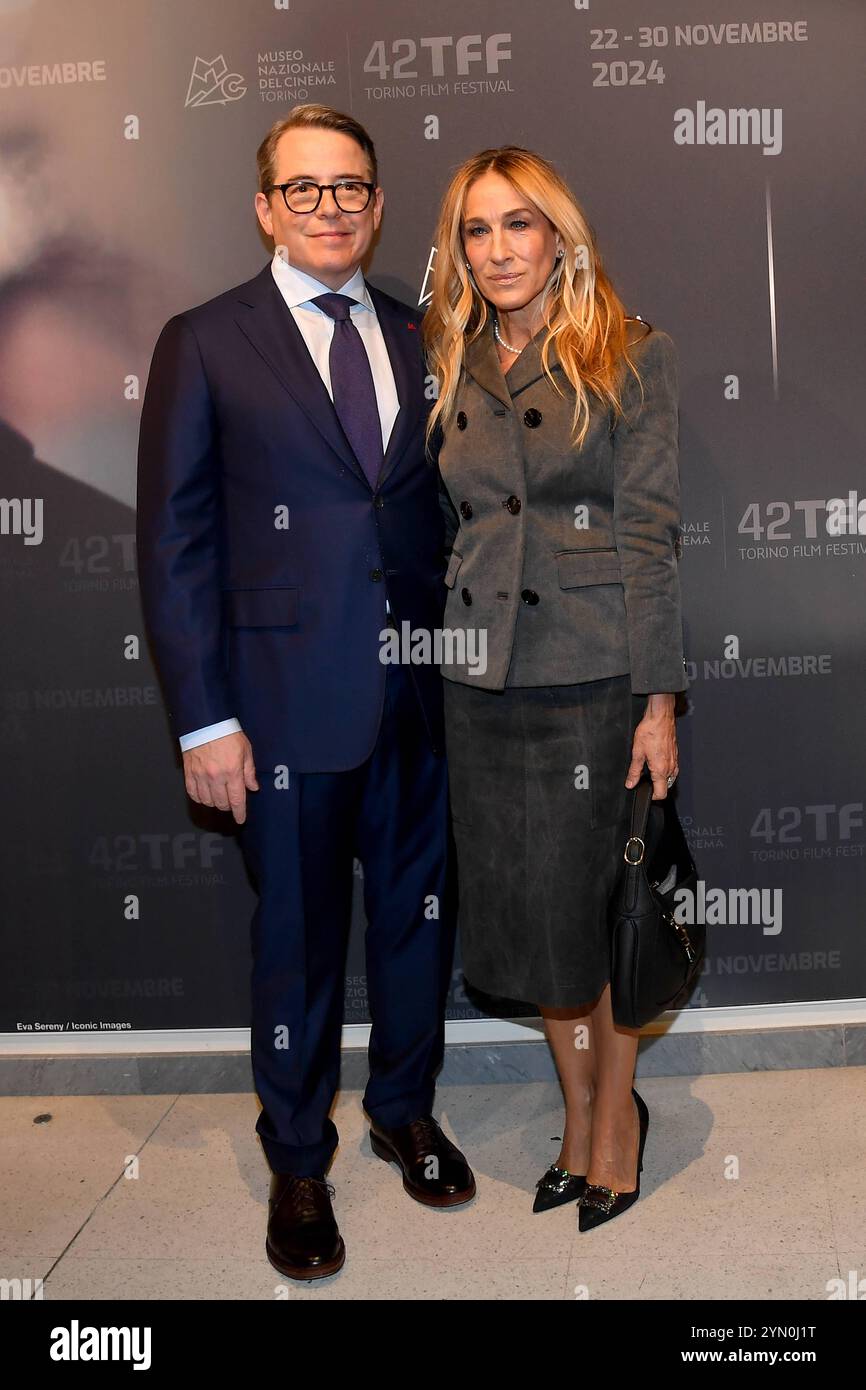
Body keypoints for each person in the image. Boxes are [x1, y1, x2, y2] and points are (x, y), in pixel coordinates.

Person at [136, 105, 474, 1283]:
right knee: (295, 942)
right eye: (304, 187)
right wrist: (203, 716)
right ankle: (296, 1158)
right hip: (277, 710)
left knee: (415, 921)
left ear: (378, 207)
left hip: (420, 699)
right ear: (265, 206)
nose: (329, 205)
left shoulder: (423, 331)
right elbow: (174, 542)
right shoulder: (205, 339)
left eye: (350, 187)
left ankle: (403, 1110)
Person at [424, 146, 688, 1231]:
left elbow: (651, 535)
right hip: (482, 680)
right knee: (534, 925)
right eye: (476, 230)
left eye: (517, 225)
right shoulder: (449, 359)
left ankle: (614, 1120)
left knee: (598, 911)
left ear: (558, 236)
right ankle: (574, 1114)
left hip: (594, 670)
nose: (496, 250)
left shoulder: (630, 355)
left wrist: (658, 699)